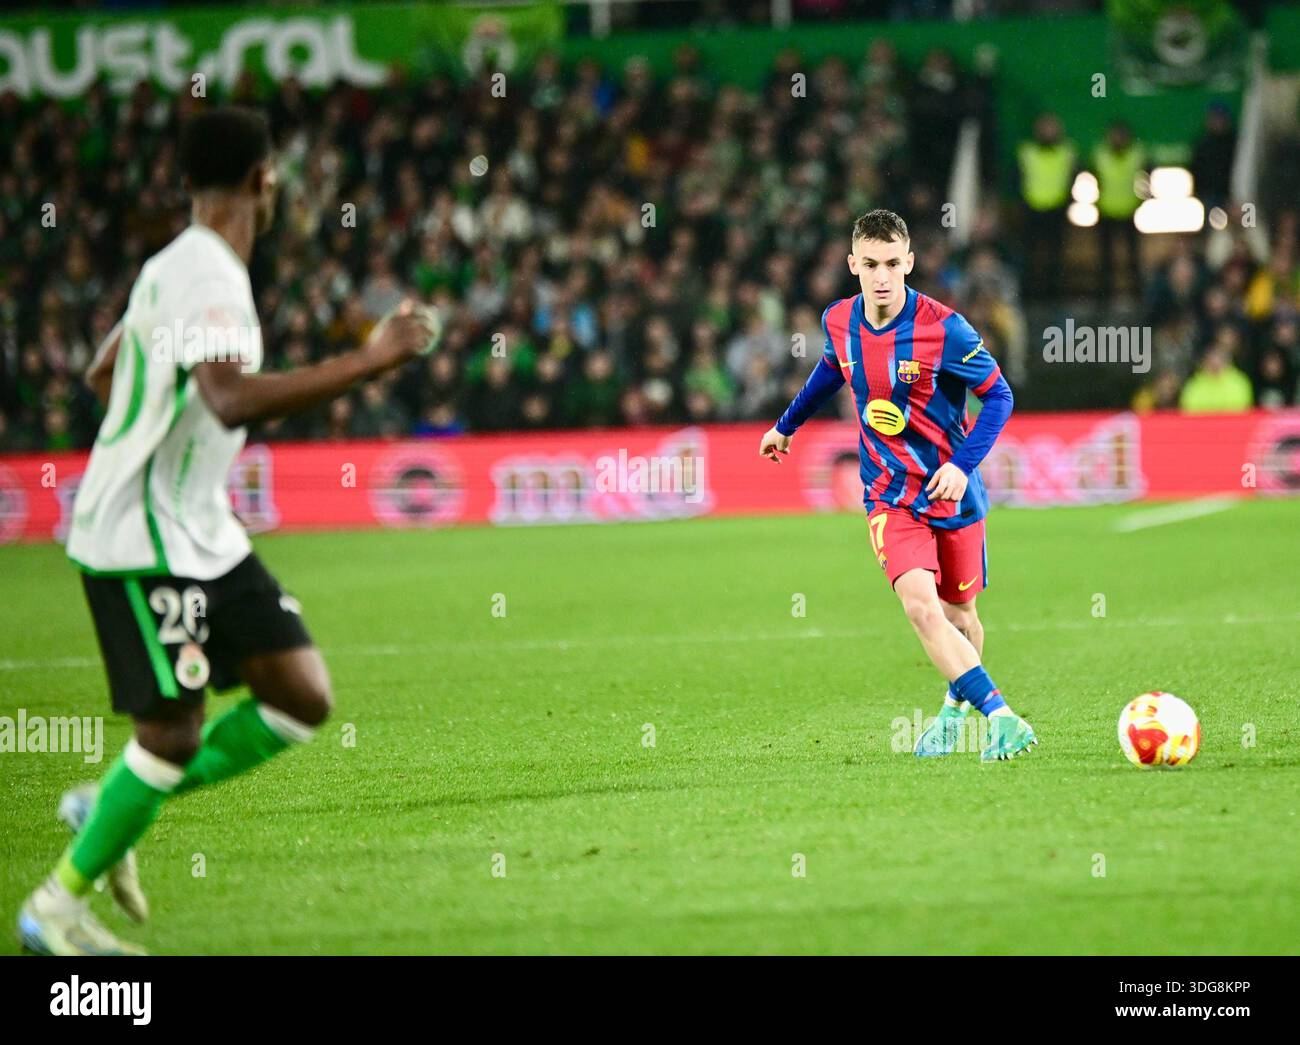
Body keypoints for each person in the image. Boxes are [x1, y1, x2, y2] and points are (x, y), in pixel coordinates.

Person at [16, 107, 438, 956]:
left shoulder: (175, 266)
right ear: (262, 180)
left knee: (300, 696)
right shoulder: (208, 275)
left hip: (198, 527)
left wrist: (164, 446)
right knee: (170, 733)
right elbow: (229, 396)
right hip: (143, 536)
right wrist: (374, 355)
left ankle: (113, 805)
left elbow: (108, 372)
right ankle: (55, 907)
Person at [758, 209, 1035, 762]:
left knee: (961, 616)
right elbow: (830, 372)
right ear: (852, 265)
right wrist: (785, 426)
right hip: (889, 493)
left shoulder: (945, 329)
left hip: (951, 492)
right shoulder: (840, 321)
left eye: (891, 264)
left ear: (908, 263)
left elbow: (999, 396)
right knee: (919, 607)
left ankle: (954, 713)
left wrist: (960, 465)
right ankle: (1003, 718)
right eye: (870, 264)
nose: (881, 276)